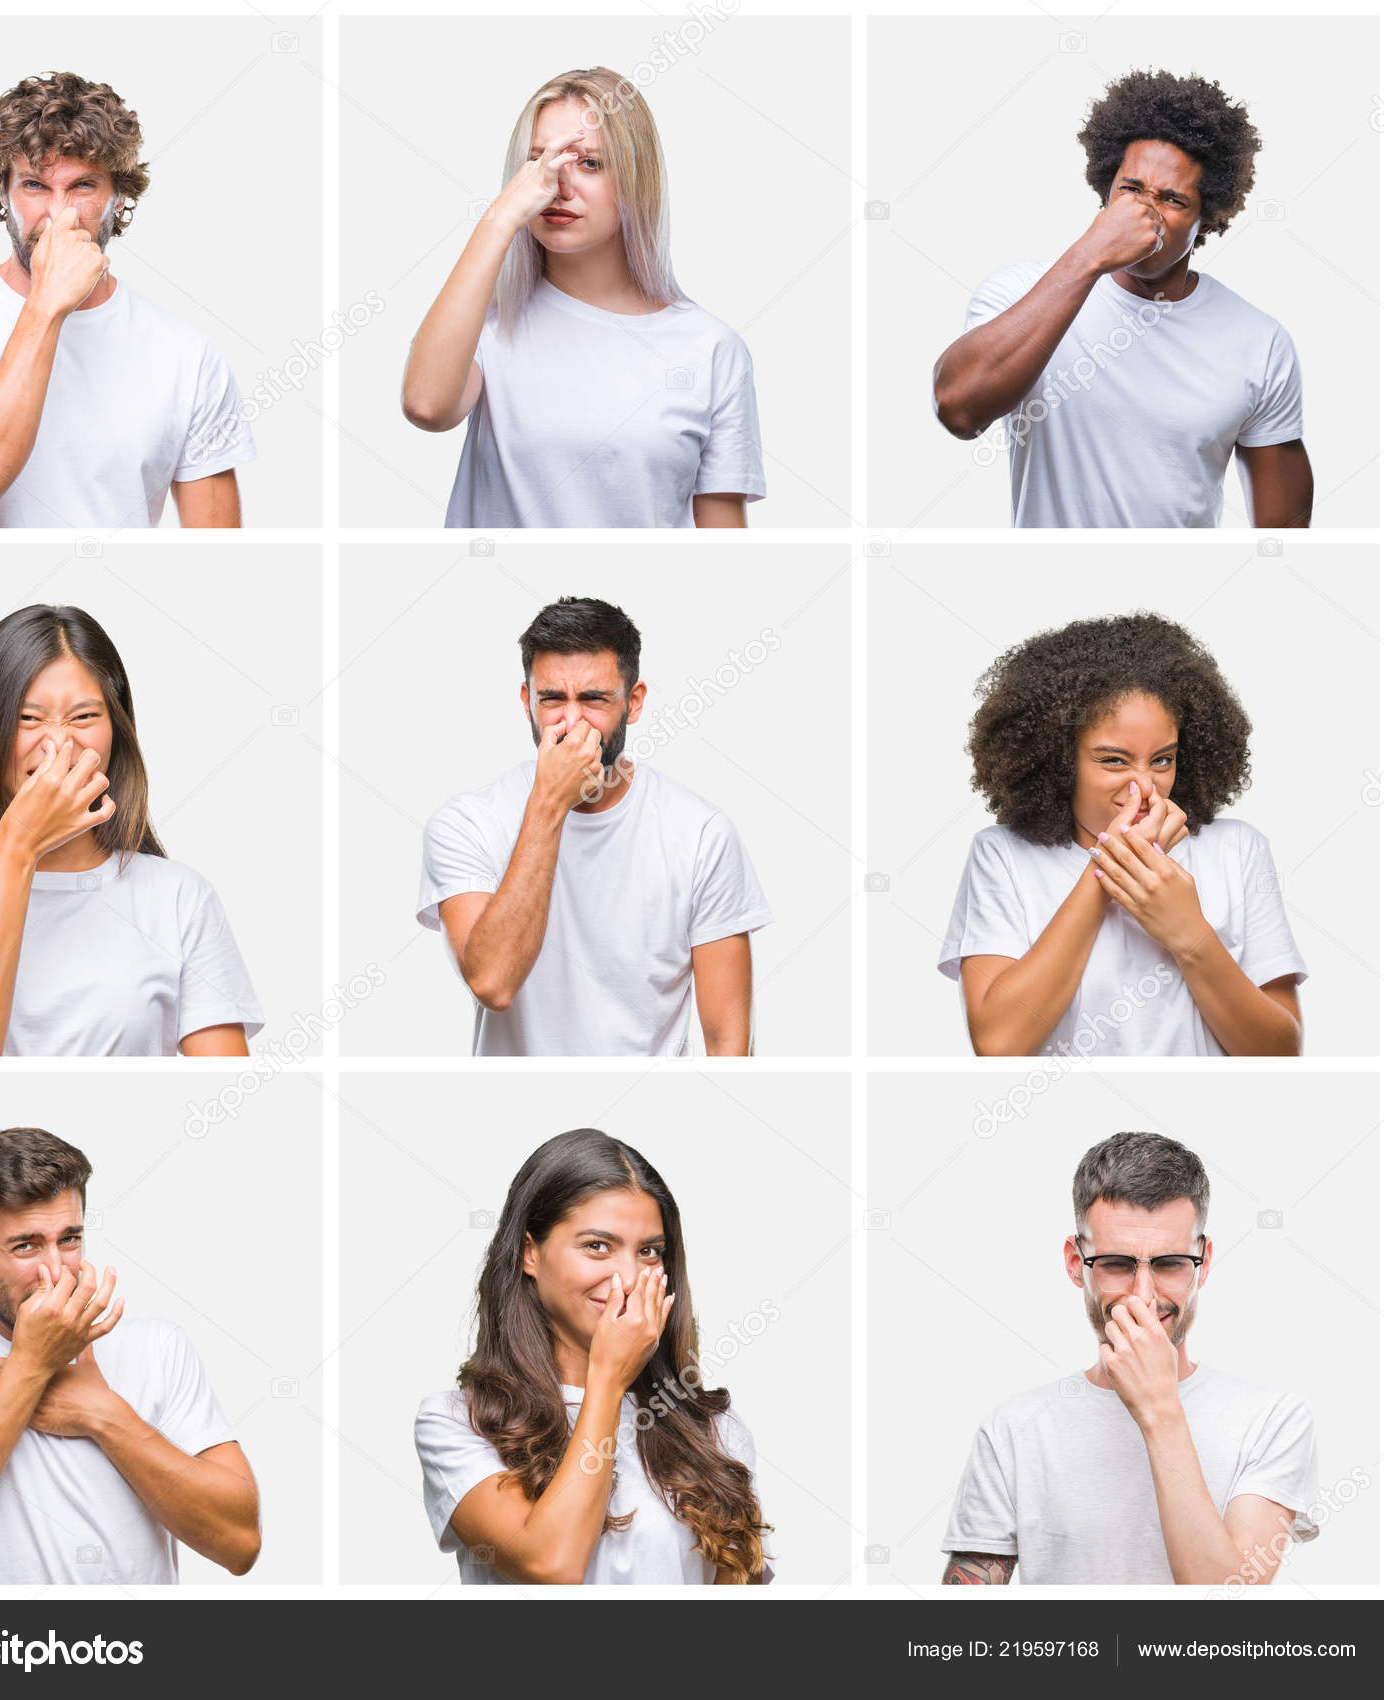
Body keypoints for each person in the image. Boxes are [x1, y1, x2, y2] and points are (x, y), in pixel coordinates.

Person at [0, 604, 264, 1056]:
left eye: (83, 718)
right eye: (28, 718)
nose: (59, 744)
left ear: (116, 732)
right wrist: (17, 851)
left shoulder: (180, 896)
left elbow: (223, 1088)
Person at [0, 1128, 261, 1583]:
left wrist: (102, 1414)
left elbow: (241, 1544)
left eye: (70, 1239)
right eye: (26, 1245)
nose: (55, 1270)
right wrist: (29, 1369)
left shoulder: (159, 1345)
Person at [0, 71, 255, 528]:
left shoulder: (191, 356)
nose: (58, 214)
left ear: (118, 197)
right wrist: (48, 302)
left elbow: (214, 556)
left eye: (83, 186)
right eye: (35, 185)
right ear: (3, 192)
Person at [931, 69, 1311, 529]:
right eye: (1130, 189)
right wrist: (1090, 256)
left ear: (1206, 219)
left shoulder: (1260, 342)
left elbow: (1283, 537)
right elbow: (959, 410)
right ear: (1105, 190)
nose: (1144, 211)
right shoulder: (1019, 292)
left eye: (1172, 199)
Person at [942, 1131, 1319, 1585]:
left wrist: (1160, 1409)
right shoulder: (1012, 1430)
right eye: (1117, 1263)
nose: (1143, 1296)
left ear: (1205, 1259)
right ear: (1074, 1262)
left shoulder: (1274, 1421)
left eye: (1170, 1263)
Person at [402, 66, 764, 529]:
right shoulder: (486, 328)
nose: (558, 185)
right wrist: (498, 220)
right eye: (539, 163)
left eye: (590, 163)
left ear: (637, 179)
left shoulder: (712, 348)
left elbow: (725, 554)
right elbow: (426, 406)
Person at [415, 1128, 772, 1584]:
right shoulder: (457, 1423)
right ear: (530, 1253)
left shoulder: (711, 1431)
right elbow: (552, 1565)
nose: (627, 1276)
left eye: (649, 1252)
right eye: (597, 1246)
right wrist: (607, 1380)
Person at [938, 612, 1305, 1056]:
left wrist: (1188, 932)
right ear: (1059, 761)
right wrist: (1112, 865)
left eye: (1163, 760)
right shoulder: (1001, 855)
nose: (1145, 787)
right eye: (1114, 761)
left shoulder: (1237, 849)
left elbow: (1279, 1054)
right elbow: (1000, 1044)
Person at [417, 596, 771, 1055]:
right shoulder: (465, 824)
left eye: (593, 699)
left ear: (634, 702)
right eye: (552, 700)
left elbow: (728, 1041)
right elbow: (492, 983)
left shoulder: (702, 834)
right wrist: (549, 802)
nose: (571, 722)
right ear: (527, 702)